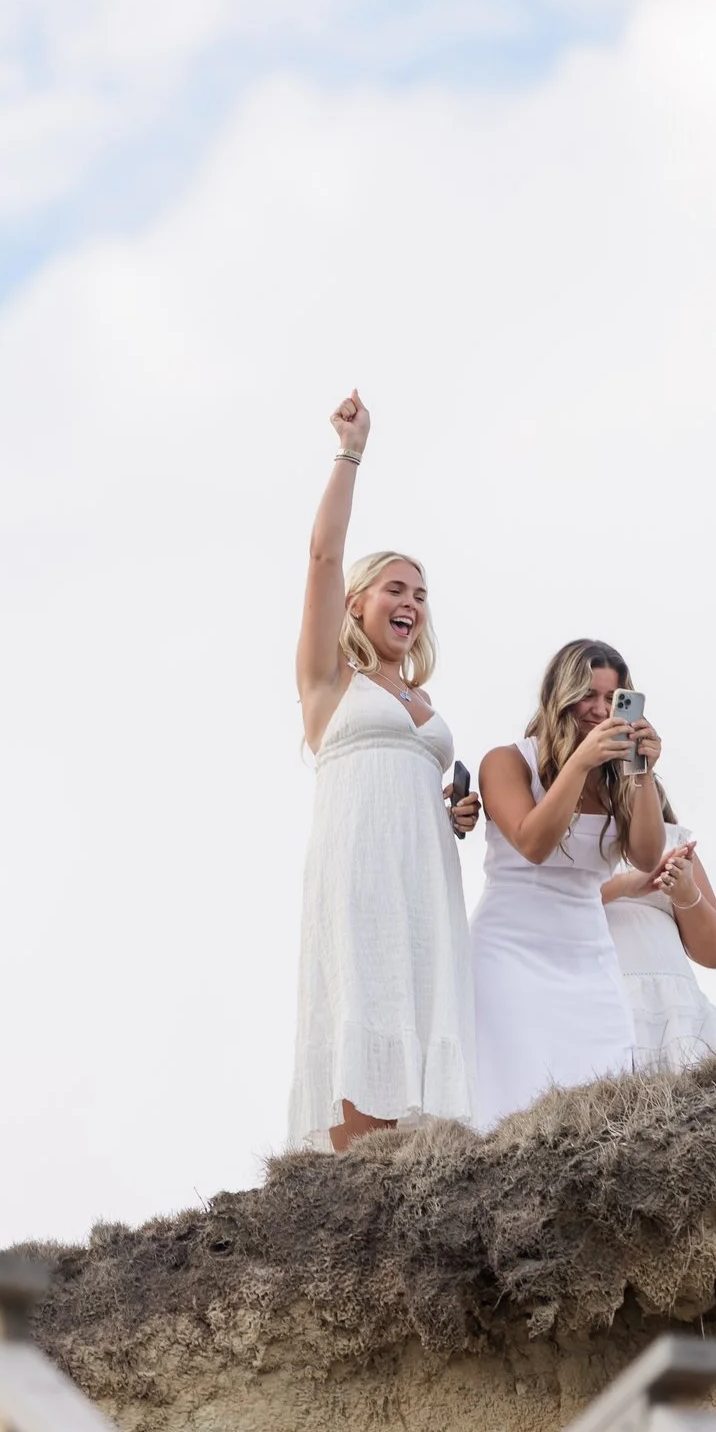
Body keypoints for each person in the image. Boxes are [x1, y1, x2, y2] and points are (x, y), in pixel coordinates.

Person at [287, 391, 483, 1153]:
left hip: (424, 875)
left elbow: (409, 793)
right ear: (359, 602)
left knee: (419, 1002)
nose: (412, 604)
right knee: (364, 1000)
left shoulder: (423, 701)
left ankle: (408, 1174)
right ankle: (351, 1184)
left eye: (422, 596)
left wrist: (448, 816)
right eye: (396, 589)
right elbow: (322, 557)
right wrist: (350, 452)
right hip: (358, 868)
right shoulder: (330, 684)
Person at [470, 639, 668, 1128]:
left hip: (587, 956)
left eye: (612, 698)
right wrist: (580, 762)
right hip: (509, 952)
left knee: (603, 1098)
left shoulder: (619, 777)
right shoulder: (506, 762)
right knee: (512, 1098)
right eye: (588, 696)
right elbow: (533, 843)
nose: (600, 710)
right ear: (560, 695)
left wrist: (641, 774)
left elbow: (646, 856)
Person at [602, 796, 716, 1068]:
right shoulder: (569, 835)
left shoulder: (672, 841)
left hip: (674, 1006)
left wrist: (686, 893)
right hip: (606, 994)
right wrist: (624, 885)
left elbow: (714, 952)